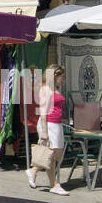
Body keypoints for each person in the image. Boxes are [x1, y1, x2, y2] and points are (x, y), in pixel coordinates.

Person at [29, 66, 68, 195]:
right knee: (51, 154)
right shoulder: (45, 89)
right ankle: (54, 184)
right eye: (61, 77)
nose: (63, 79)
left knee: (56, 154)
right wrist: (44, 131)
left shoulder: (55, 89)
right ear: (55, 76)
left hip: (56, 124)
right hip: (49, 124)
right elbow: (43, 111)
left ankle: (34, 170)